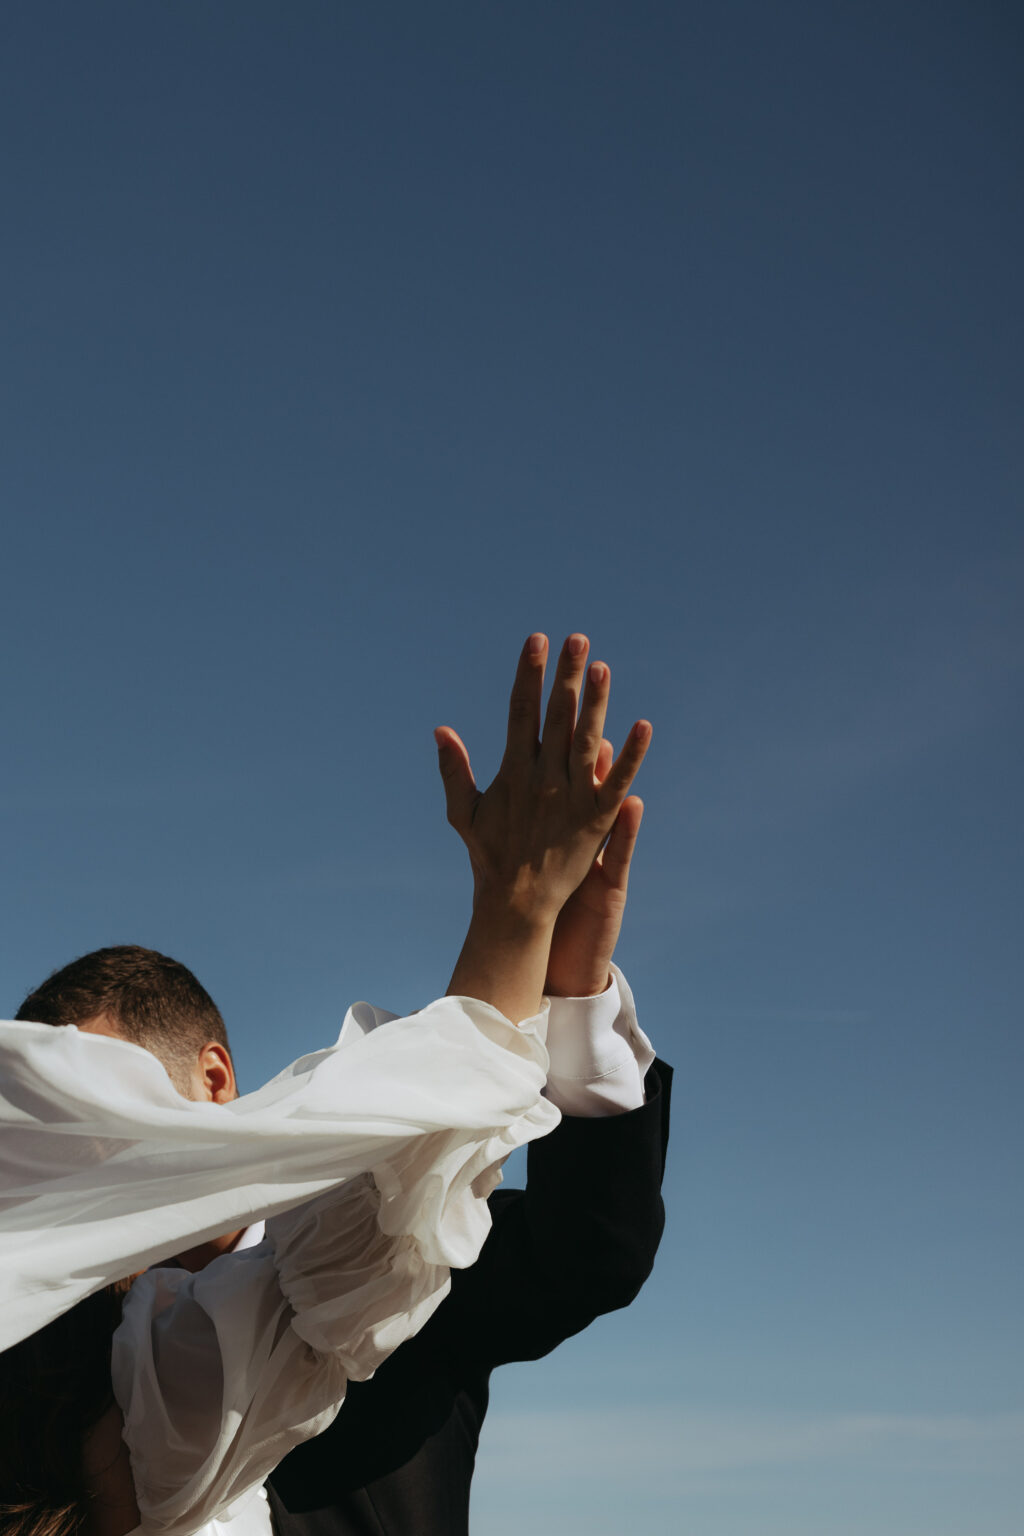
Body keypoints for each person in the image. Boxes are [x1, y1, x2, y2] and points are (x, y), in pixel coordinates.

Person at [0, 632, 663, 1536]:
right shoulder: (55, 1349)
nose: (88, 1155)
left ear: (214, 1076)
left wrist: (571, 983)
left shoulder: (406, 1222)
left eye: (110, 1105)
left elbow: (593, 1255)